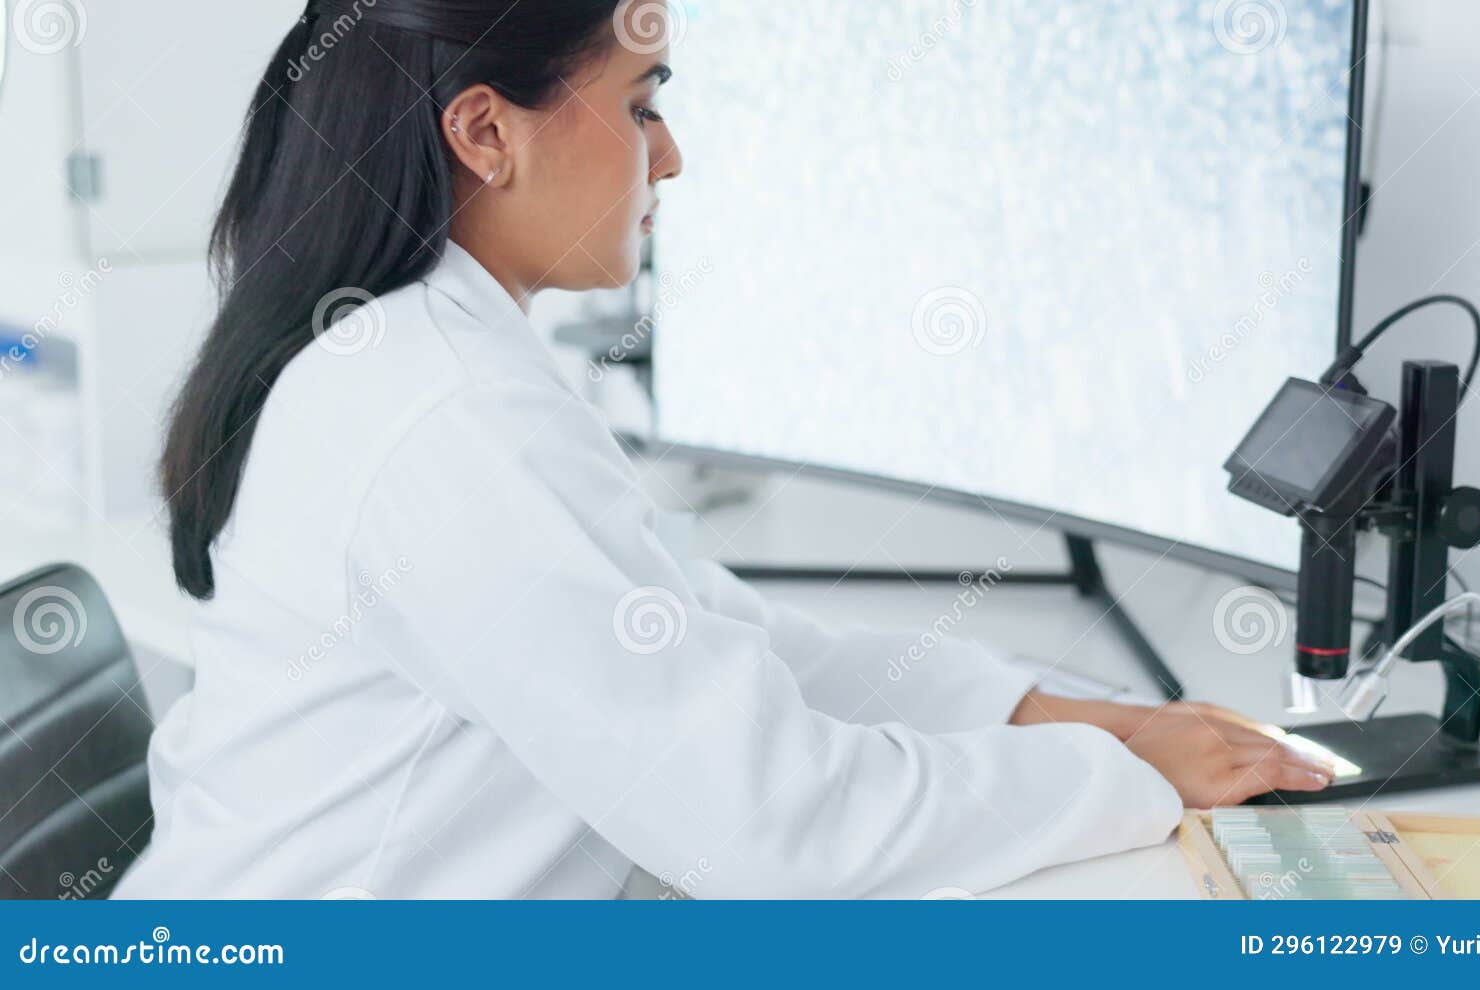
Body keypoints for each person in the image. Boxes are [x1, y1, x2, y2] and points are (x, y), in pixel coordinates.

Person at [115, 0, 1330, 900]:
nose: (672, 154)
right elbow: (771, 832)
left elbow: (719, 648)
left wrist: (1085, 721)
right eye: (642, 102)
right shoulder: (449, 415)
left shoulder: (424, 360)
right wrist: (1132, 777)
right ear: (485, 131)